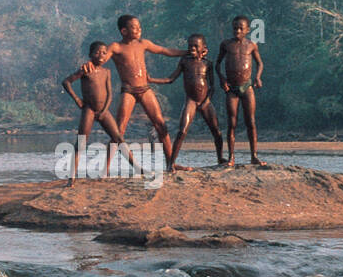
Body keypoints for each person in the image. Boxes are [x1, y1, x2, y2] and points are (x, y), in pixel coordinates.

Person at [103, 15, 184, 165]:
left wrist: (186, 52)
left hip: (145, 89)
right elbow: (101, 59)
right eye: (134, 27)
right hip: (128, 91)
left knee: (161, 125)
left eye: (139, 26)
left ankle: (171, 163)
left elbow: (164, 51)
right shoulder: (116, 47)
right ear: (124, 31)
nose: (139, 29)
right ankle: (105, 168)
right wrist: (89, 66)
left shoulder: (143, 44)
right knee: (119, 130)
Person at [61, 41, 142, 185]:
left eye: (104, 53)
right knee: (81, 142)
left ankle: (137, 168)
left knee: (118, 138)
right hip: (89, 110)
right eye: (97, 52)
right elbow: (66, 82)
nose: (101, 55)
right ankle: (71, 178)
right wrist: (77, 100)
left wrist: (104, 110)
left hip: (104, 110)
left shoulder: (107, 72)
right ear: (90, 54)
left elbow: (110, 93)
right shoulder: (86, 70)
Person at [149, 34, 224, 170]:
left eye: (196, 46)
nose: (192, 48)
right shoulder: (185, 61)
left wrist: (206, 100)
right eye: (190, 46)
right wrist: (152, 80)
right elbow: (170, 79)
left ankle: (220, 157)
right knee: (182, 131)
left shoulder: (208, 64)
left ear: (203, 48)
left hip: (205, 101)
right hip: (191, 101)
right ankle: (171, 163)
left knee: (216, 131)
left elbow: (212, 86)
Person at [215, 15, 266, 166]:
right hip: (231, 89)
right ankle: (231, 158)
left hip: (247, 87)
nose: (237, 31)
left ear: (247, 30)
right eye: (235, 28)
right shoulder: (226, 45)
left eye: (240, 28)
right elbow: (217, 64)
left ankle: (254, 156)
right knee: (232, 123)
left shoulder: (252, 45)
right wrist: (222, 79)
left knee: (251, 121)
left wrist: (257, 77)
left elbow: (260, 63)